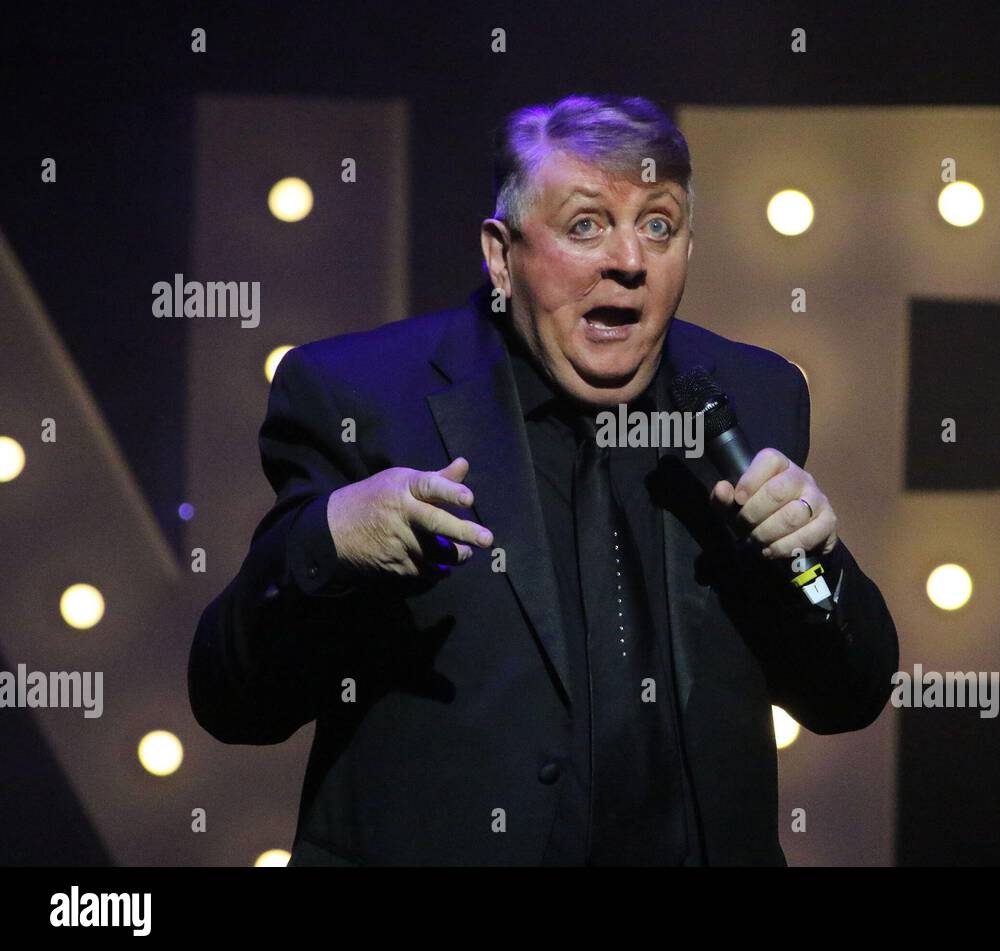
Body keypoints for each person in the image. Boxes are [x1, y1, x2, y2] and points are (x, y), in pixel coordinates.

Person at [189, 93, 899, 866]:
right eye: (585, 225)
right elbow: (233, 701)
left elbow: (849, 695)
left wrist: (811, 563)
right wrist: (326, 544)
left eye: (658, 225)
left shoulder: (752, 396)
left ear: (689, 248)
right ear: (501, 255)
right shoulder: (360, 395)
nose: (628, 261)